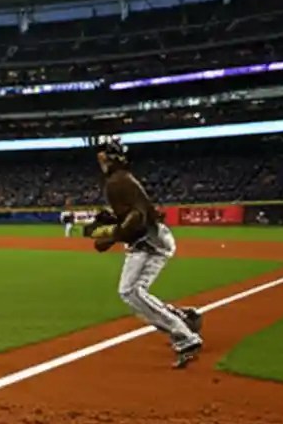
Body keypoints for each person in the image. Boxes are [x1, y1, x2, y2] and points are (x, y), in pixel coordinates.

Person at [84, 138, 203, 368]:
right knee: (131, 291)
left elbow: (138, 218)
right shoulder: (122, 180)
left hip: (150, 241)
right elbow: (133, 214)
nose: (100, 161)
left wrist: (111, 237)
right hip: (152, 238)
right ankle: (183, 319)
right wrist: (112, 222)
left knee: (130, 291)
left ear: (112, 159)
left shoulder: (117, 182)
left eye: (103, 157)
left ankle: (185, 336)